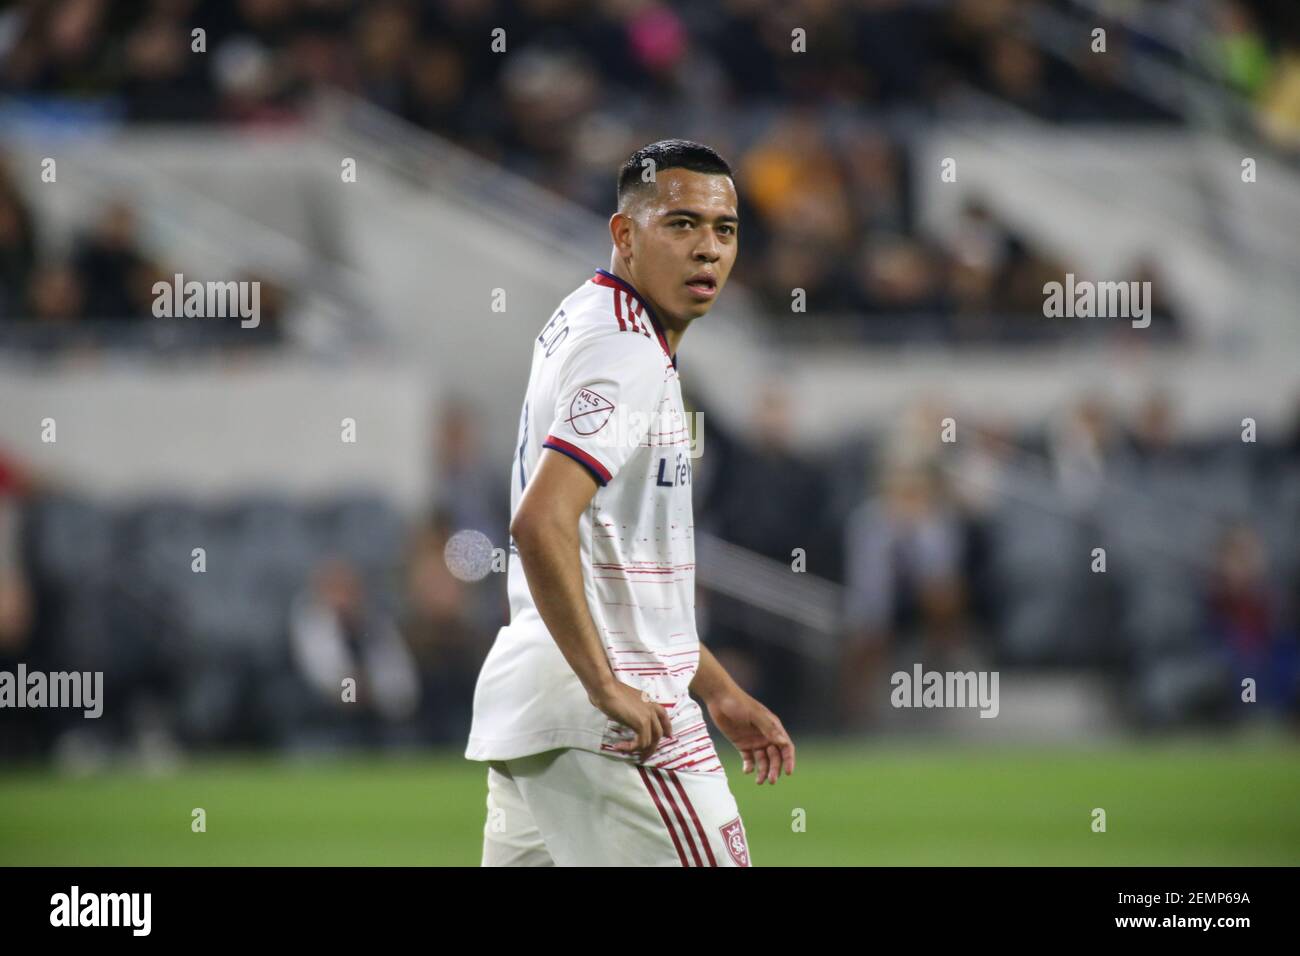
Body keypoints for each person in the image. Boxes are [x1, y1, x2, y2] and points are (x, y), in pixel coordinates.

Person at [465, 140, 794, 866]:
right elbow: (539, 521)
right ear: (625, 234)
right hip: (616, 722)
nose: (708, 250)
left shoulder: (590, 319)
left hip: (540, 706)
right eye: (680, 225)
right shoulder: (629, 355)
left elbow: (616, 560)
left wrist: (719, 689)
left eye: (724, 230)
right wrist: (603, 684)